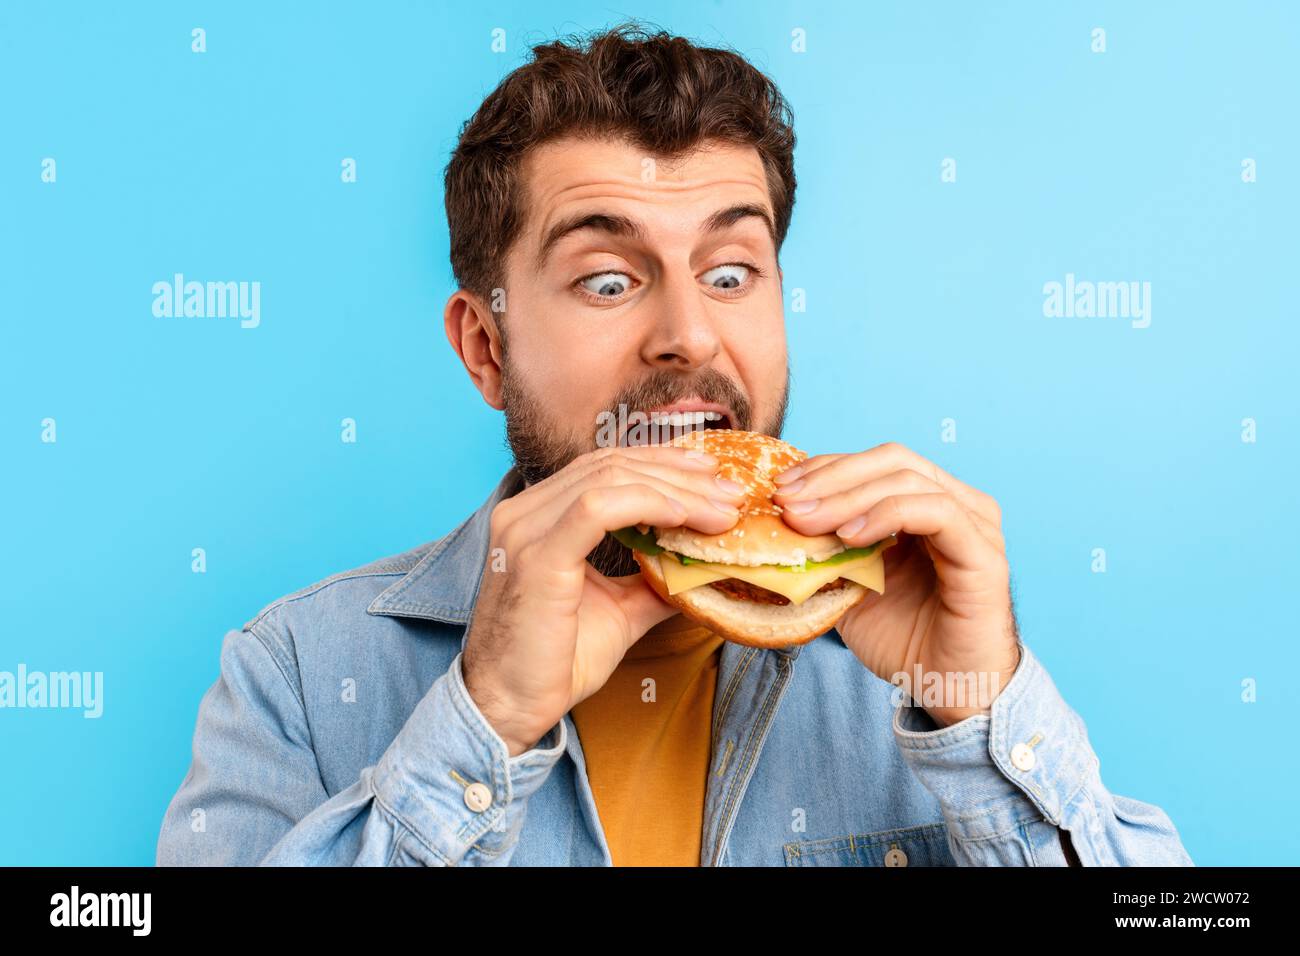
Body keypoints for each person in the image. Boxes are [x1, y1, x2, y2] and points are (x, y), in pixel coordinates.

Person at [156, 22, 1192, 867]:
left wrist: (982, 719)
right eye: (607, 279)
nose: (688, 333)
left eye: (732, 271)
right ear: (485, 346)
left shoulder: (913, 658)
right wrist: (484, 720)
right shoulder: (296, 675)